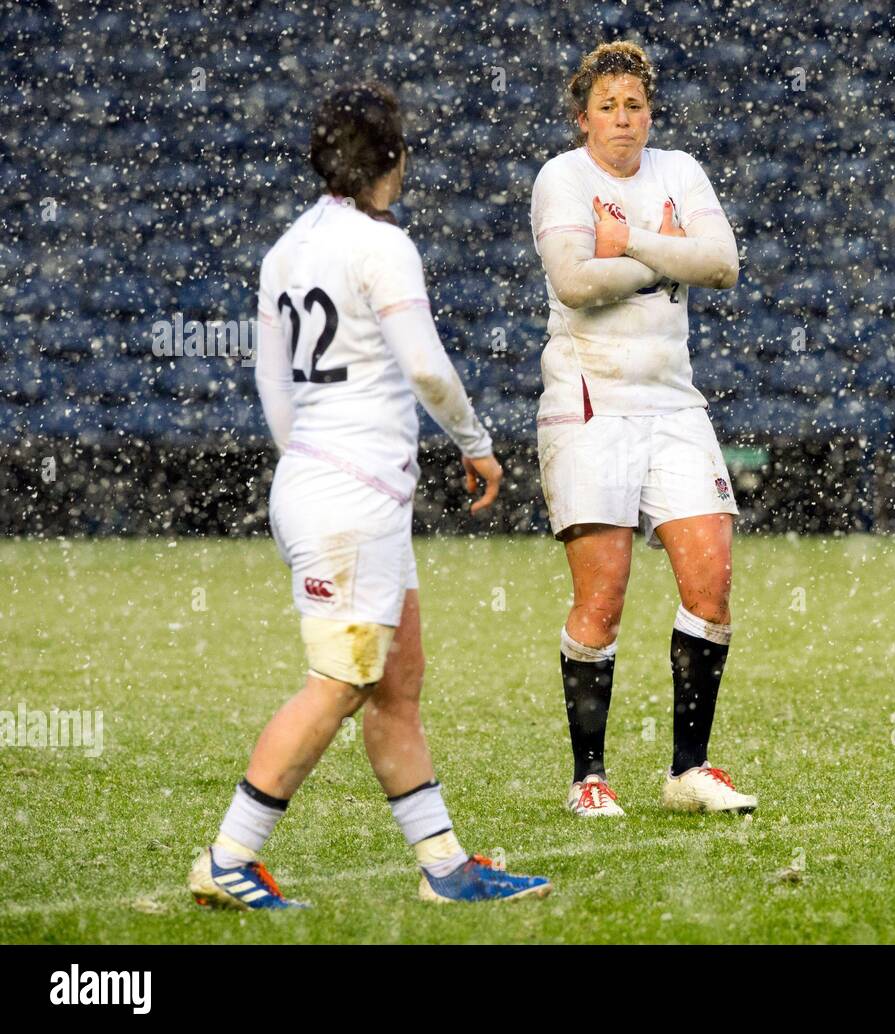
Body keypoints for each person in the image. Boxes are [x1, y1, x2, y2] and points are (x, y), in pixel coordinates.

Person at [187, 82, 550, 907]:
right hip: (351, 500)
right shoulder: (382, 246)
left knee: (397, 682)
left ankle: (446, 868)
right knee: (342, 683)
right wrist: (476, 446)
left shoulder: (285, 250)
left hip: (324, 484)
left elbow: (272, 384)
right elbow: (423, 365)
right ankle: (228, 857)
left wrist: (311, 465)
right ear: (390, 161)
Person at [530, 42, 757, 817]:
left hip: (672, 403)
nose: (622, 120)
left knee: (713, 582)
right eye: (607, 107)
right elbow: (575, 282)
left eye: (634, 106)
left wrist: (627, 243)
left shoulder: (680, 171)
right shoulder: (561, 178)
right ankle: (588, 778)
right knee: (604, 598)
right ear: (583, 117)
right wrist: (671, 257)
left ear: (648, 112)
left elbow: (723, 263)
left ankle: (687, 771)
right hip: (589, 400)